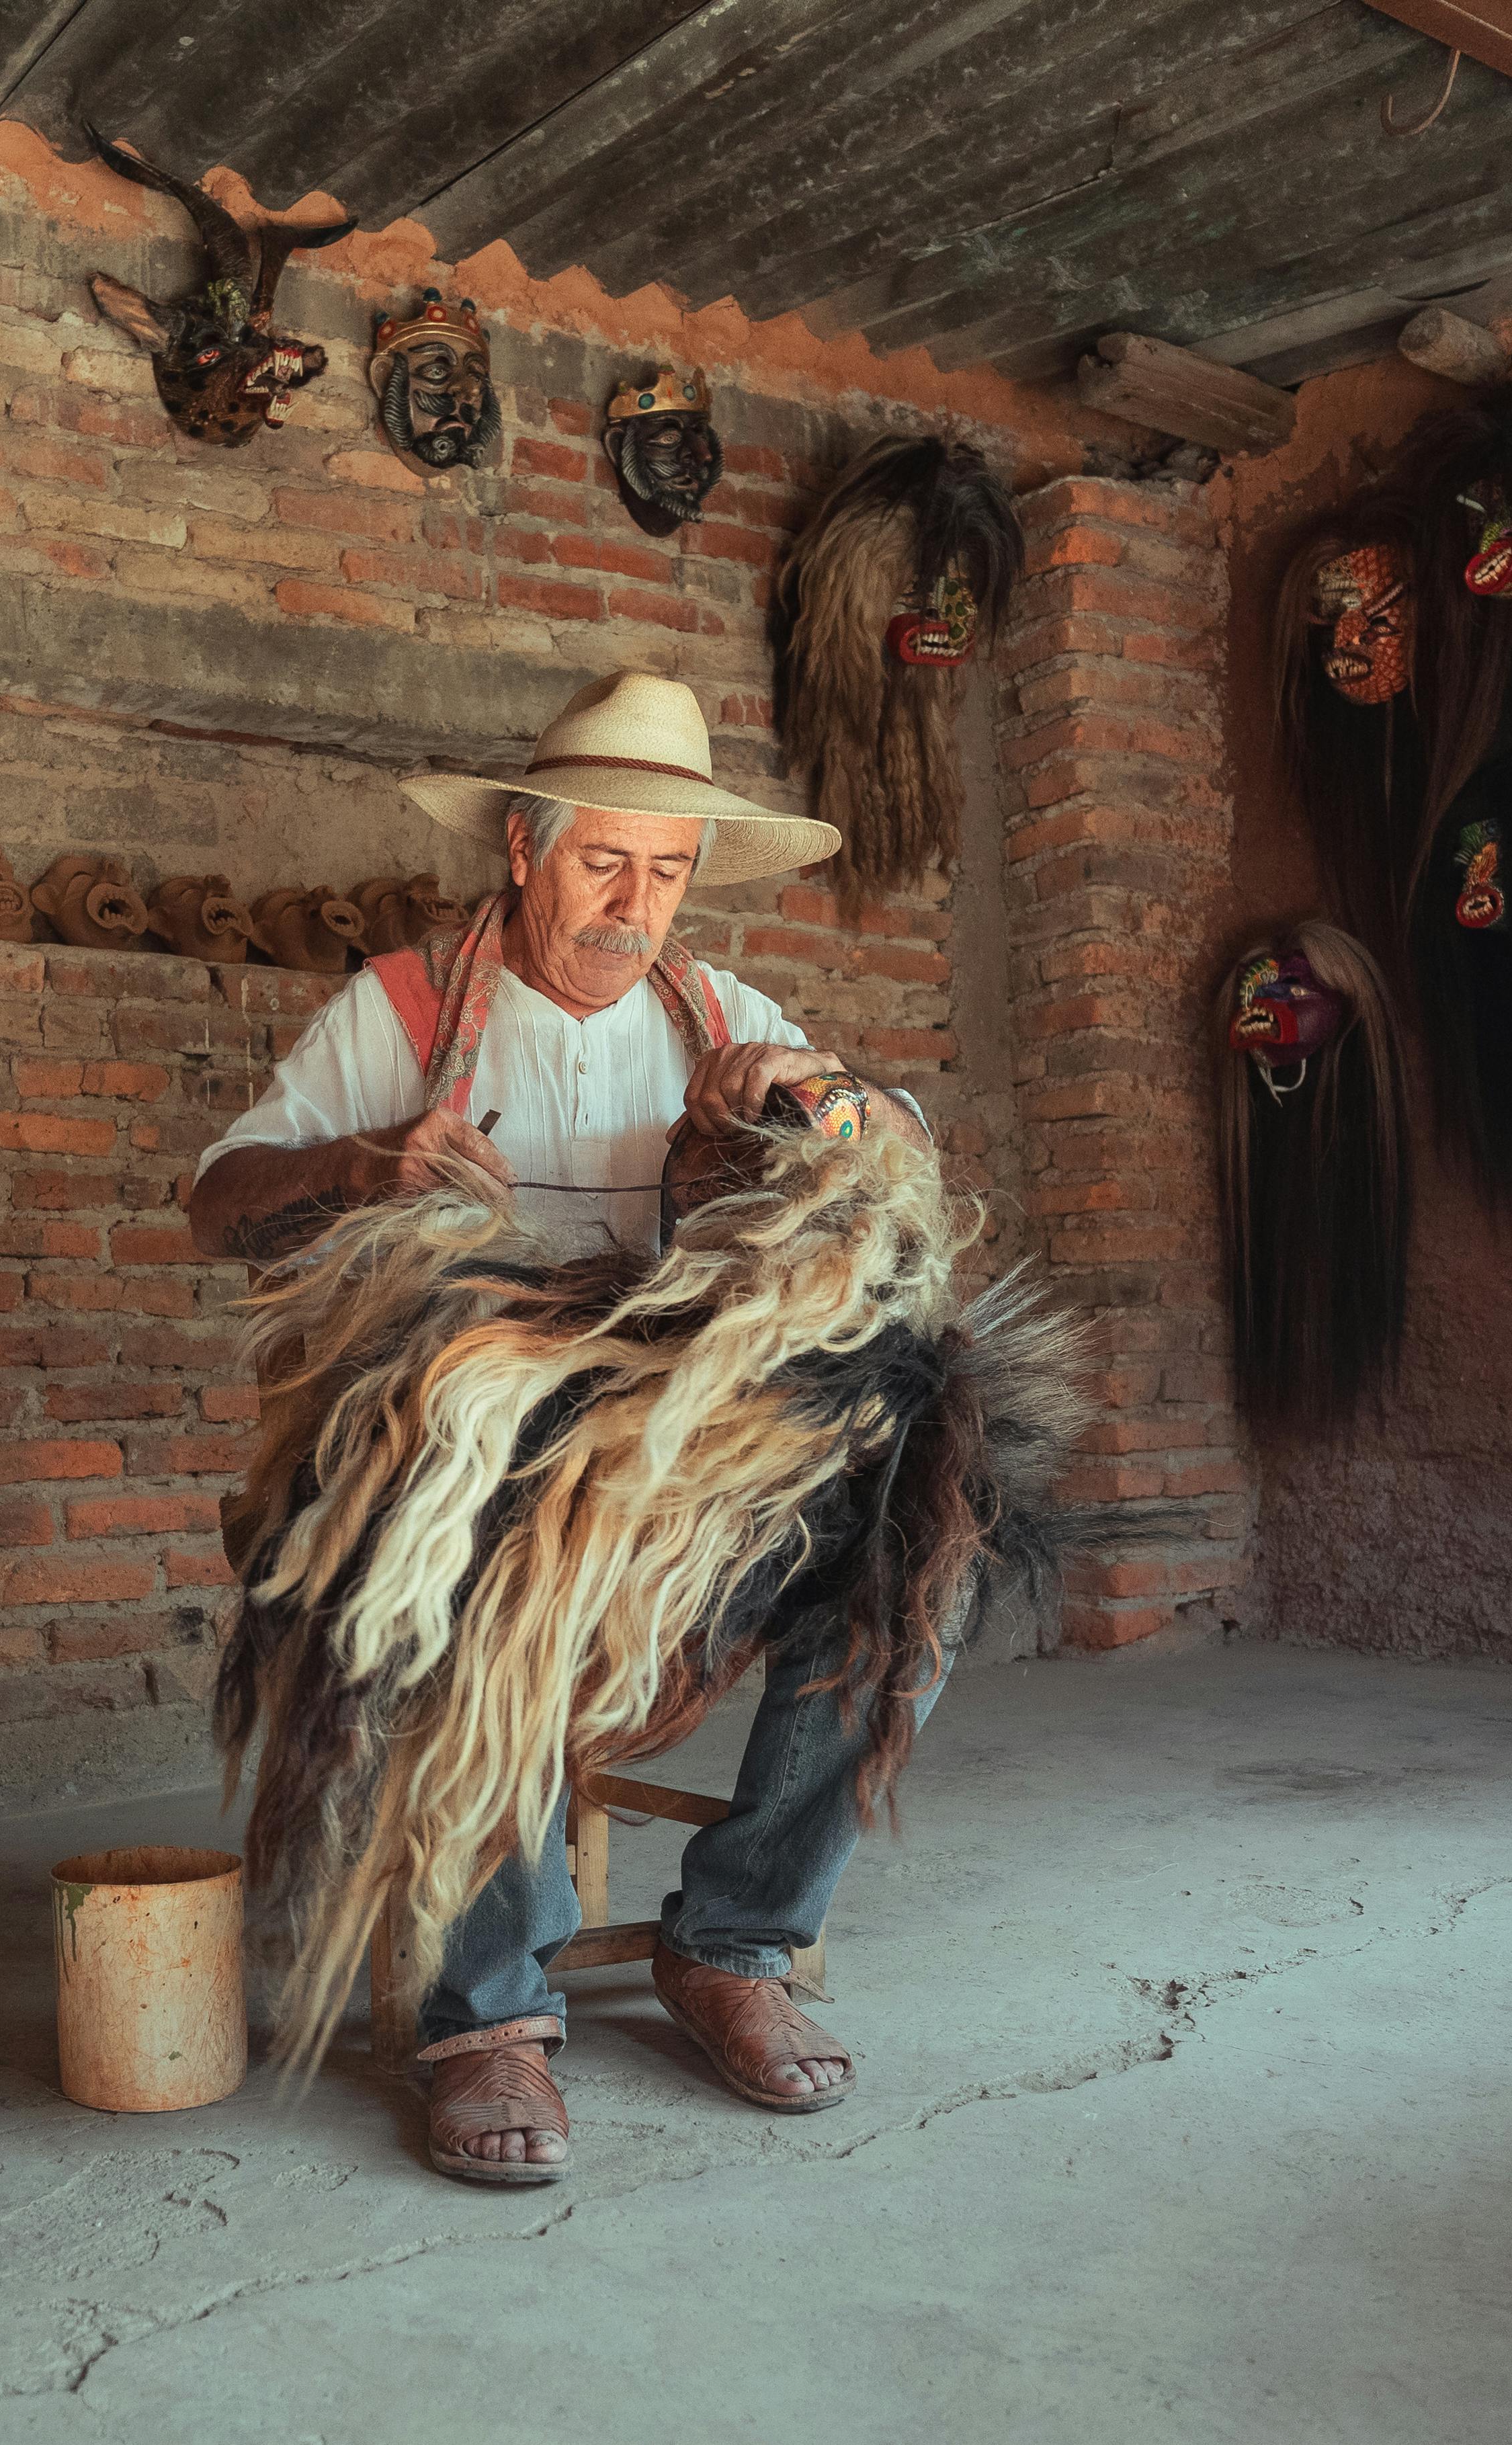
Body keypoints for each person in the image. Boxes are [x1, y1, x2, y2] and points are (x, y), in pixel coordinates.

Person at [190, 669, 939, 2185]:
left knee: (922, 1509)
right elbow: (217, 1196)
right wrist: (358, 1160)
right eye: (604, 859)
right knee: (466, 1523)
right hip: (458, 1460)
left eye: (666, 872)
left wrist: (819, 1105)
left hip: (672, 1482)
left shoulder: (721, 1016)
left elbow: (904, 1147)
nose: (634, 901)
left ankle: (736, 1937)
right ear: (521, 852)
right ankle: (484, 2019)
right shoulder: (402, 1007)